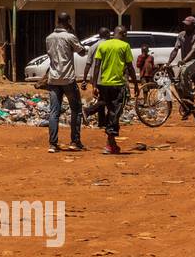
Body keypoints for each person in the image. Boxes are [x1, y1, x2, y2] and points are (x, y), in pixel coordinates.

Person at [86, 26, 137, 155]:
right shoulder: (125, 46)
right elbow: (130, 67)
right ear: (123, 33)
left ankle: (111, 142)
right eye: (125, 34)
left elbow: (96, 65)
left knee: (110, 110)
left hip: (103, 83)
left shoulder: (103, 46)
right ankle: (110, 142)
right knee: (115, 112)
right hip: (118, 84)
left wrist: (94, 85)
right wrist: (135, 84)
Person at [44, 12, 87, 153]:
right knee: (76, 109)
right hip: (68, 78)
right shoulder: (70, 37)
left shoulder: (49, 38)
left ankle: (52, 144)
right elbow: (82, 52)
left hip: (53, 79)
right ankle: (75, 141)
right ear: (68, 21)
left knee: (54, 111)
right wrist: (74, 33)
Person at [166, 16, 195, 117]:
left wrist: (184, 60)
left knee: (184, 72)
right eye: (184, 25)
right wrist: (168, 63)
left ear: (193, 25)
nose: (185, 27)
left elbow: (194, 51)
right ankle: (185, 104)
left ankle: (190, 98)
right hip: (185, 62)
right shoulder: (181, 35)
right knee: (176, 81)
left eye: (187, 25)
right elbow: (175, 50)